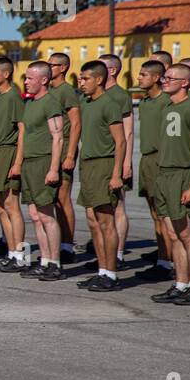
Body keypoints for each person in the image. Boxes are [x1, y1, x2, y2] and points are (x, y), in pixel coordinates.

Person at [149, 64, 190, 305]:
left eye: (170, 78)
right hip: (164, 174)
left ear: (184, 82)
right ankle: (180, 283)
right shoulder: (167, 107)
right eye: (164, 77)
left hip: (183, 175)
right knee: (172, 233)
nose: (165, 81)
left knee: (188, 233)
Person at [74, 61, 126, 292]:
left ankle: (112, 274)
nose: (81, 82)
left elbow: (121, 141)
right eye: (80, 78)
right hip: (88, 165)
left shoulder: (109, 104)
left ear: (99, 79)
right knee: (93, 221)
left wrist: (116, 174)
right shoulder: (86, 103)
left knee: (106, 222)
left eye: (85, 78)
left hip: (104, 164)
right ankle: (102, 270)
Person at [18, 61, 66, 281]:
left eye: (30, 78)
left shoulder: (50, 103)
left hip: (43, 162)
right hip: (29, 163)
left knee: (47, 216)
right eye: (26, 78)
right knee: (35, 216)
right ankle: (45, 260)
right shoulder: (30, 103)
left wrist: (54, 168)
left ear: (44, 80)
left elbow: (58, 137)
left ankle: (55, 263)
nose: (26, 82)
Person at [0, 56, 27, 272]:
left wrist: (18, 162)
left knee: (12, 206)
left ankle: (21, 256)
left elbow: (22, 130)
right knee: (1, 206)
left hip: (8, 153)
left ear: (6, 74)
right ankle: (11, 252)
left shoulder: (13, 97)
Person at [134, 59, 173, 281]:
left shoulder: (166, 103)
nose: (139, 78)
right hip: (147, 160)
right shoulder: (146, 102)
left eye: (143, 75)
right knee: (155, 215)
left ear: (157, 77)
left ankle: (168, 262)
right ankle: (162, 259)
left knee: (165, 215)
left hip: (162, 159)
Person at [99, 54, 134, 270]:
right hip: (101, 158)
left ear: (111, 71)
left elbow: (128, 132)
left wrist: (126, 163)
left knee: (118, 206)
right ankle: (107, 253)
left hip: (118, 157)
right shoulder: (98, 95)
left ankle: (118, 253)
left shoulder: (120, 95)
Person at [48, 53, 82, 262]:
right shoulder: (51, 91)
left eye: (52, 65)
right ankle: (59, 242)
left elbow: (76, 123)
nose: (48, 68)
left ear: (63, 68)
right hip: (52, 149)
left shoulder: (66, 91)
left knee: (62, 197)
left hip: (64, 149)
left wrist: (70, 155)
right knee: (53, 199)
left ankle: (68, 246)